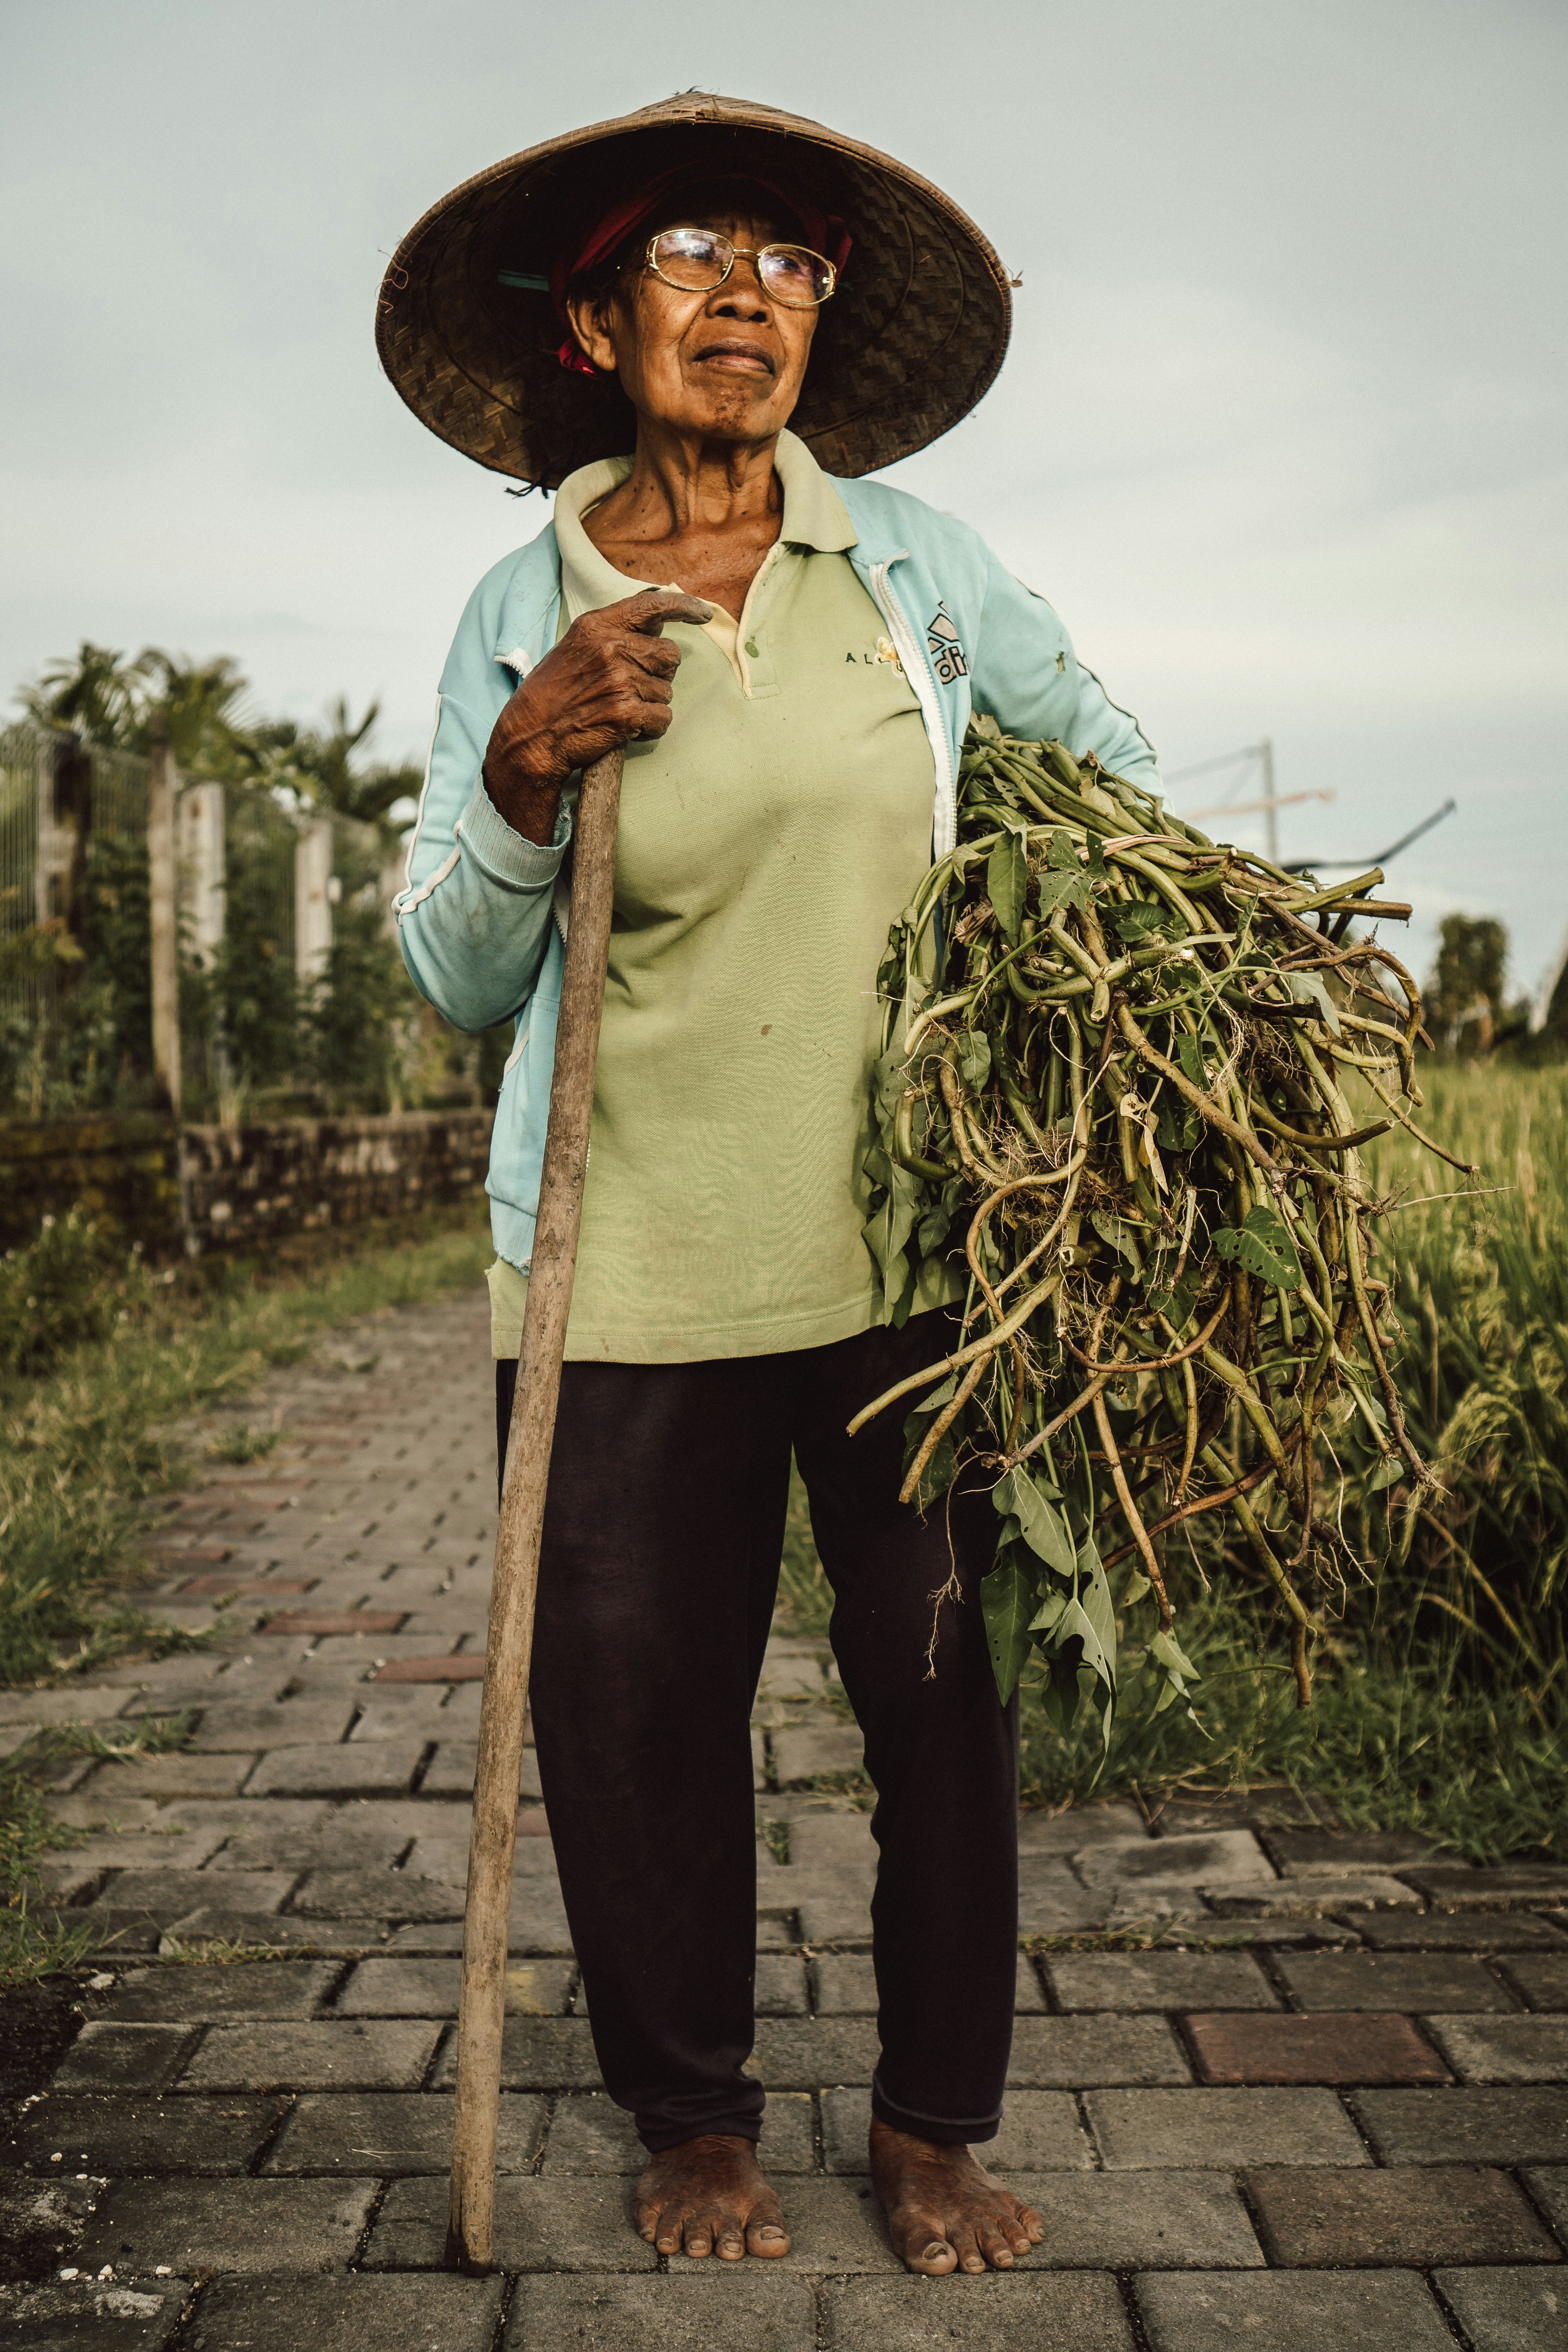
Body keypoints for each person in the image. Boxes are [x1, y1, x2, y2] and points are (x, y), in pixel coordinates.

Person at [383, 93, 1158, 2275]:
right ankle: (695, 2121)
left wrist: (1073, 976)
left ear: (818, 328)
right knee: (635, 1719)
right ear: (600, 322)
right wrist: (530, 766)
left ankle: (930, 2128)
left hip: (913, 1250)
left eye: (791, 263)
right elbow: (455, 964)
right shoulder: (524, 599)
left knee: (943, 1706)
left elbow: (1105, 772)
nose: (746, 295)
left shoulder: (910, 565)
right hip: (620, 1266)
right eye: (695, 253)